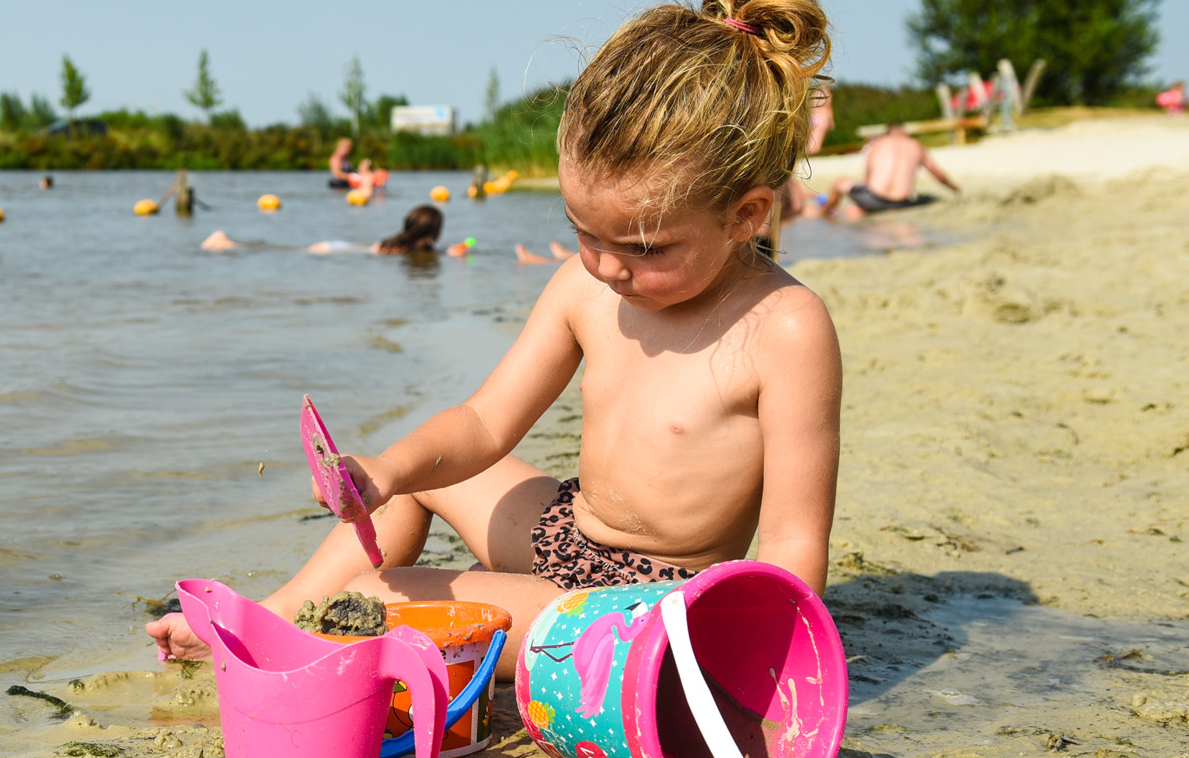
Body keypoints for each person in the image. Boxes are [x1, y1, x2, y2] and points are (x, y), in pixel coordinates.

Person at [150, 0, 843, 677]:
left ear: (745, 215)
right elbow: (484, 423)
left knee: (368, 603)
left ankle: (299, 641)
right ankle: (271, 617)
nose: (607, 266)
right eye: (584, 232)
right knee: (419, 473)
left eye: (645, 247)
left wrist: (756, 672)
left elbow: (792, 541)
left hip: (641, 611)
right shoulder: (584, 287)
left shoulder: (784, 328)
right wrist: (387, 472)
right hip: (566, 531)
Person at [822, 123, 959, 219]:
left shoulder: (878, 144)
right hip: (902, 203)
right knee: (854, 211)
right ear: (905, 132)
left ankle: (825, 214)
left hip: (875, 198)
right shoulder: (917, 146)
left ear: (888, 132)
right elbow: (938, 175)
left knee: (838, 183)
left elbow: (869, 175)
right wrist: (953, 188)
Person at [202, 205, 443, 255]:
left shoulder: (397, 243)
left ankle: (228, 242)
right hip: (333, 251)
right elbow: (432, 254)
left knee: (283, 249)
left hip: (336, 246)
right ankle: (226, 243)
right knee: (281, 250)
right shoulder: (410, 249)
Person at [806, 81, 833, 154]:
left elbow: (811, 107)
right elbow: (828, 108)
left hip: (814, 117)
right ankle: (814, 152)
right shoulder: (827, 94)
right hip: (823, 117)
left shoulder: (815, 93)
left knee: (812, 137)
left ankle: (810, 151)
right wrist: (831, 121)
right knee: (819, 136)